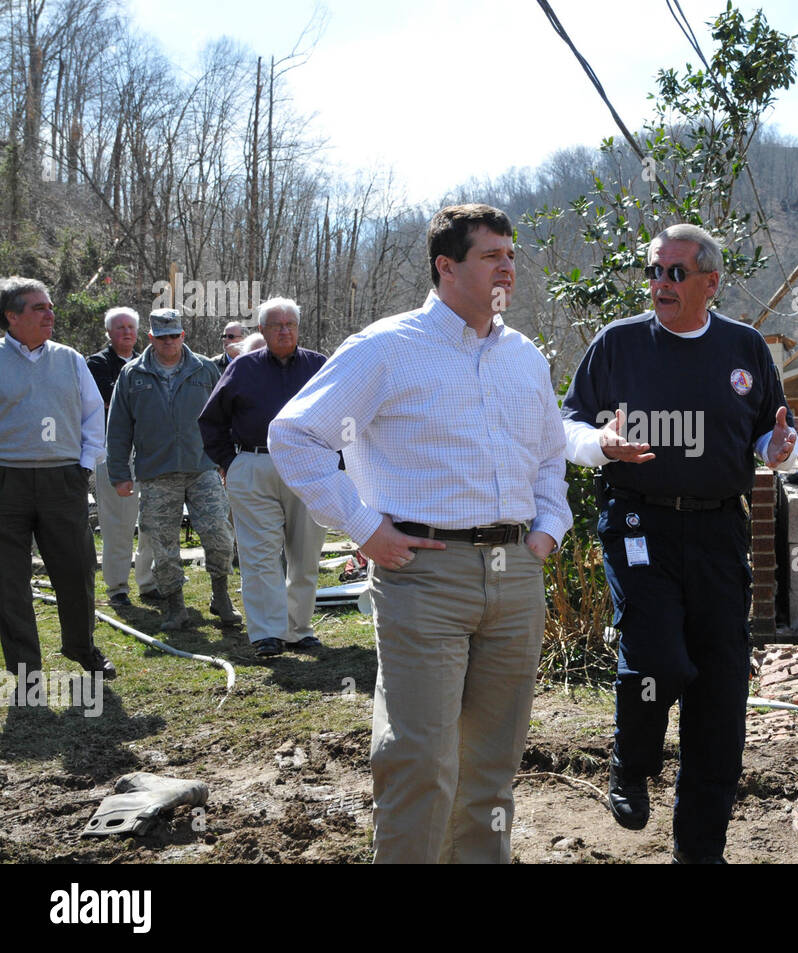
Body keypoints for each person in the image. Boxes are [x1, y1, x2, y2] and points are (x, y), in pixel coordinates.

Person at [269, 203, 571, 864]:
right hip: (423, 573)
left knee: (492, 767)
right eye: (492, 255)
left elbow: (550, 454)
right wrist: (362, 524)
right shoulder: (388, 347)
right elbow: (295, 434)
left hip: (515, 574)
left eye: (511, 255)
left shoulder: (523, 356)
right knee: (419, 759)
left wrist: (547, 530)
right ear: (446, 265)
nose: (508, 268)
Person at [560, 224, 798, 863]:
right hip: (641, 525)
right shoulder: (618, 345)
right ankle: (631, 761)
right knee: (658, 662)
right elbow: (565, 423)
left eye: (675, 273)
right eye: (653, 272)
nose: (660, 285)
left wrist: (777, 449)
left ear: (710, 282)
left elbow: (771, 436)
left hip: (721, 531)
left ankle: (700, 849)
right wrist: (598, 445)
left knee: (720, 691)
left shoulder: (744, 347)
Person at [0, 276, 116, 680]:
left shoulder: (70, 359)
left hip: (62, 480)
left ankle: (81, 648)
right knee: (8, 579)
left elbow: (92, 413)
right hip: (7, 483)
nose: (50, 314)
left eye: (50, 306)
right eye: (39, 308)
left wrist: (84, 463)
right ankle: (25, 666)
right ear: (12, 317)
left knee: (76, 568)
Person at [199, 298, 328, 659]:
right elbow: (210, 421)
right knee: (260, 555)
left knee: (305, 554)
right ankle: (266, 632)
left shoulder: (319, 366)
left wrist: (336, 463)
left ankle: (298, 628)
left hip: (308, 468)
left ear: (298, 328)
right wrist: (231, 462)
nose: (284, 330)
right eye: (275, 325)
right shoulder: (242, 369)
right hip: (254, 465)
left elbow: (345, 413)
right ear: (262, 331)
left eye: (290, 324)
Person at [106, 310, 239, 632]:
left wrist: (227, 459)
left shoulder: (205, 369)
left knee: (220, 535)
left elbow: (225, 417)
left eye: (174, 336)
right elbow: (119, 427)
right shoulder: (132, 374)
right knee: (163, 546)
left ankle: (220, 596)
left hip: (202, 467)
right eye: (162, 337)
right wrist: (119, 472)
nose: (169, 342)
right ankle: (174, 606)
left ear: (183, 336)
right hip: (156, 470)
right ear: (150, 338)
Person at [86, 307, 157, 608]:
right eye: (119, 328)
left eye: (130, 327)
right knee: (118, 522)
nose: (126, 332)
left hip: (152, 451)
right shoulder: (97, 364)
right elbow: (107, 402)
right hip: (116, 451)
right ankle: (117, 586)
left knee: (153, 521)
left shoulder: (149, 362)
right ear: (108, 333)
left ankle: (149, 582)